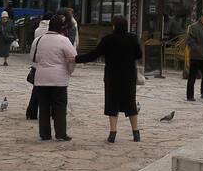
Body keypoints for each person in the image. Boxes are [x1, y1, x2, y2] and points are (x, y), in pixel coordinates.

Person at [76, 15, 143, 143]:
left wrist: (76, 59)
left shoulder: (108, 40)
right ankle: (136, 133)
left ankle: (113, 133)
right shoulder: (132, 38)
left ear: (114, 26)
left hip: (112, 76)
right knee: (130, 103)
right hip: (128, 76)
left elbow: (93, 55)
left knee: (112, 103)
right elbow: (139, 55)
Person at [30, 12, 76, 142]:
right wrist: (69, 72)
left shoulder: (38, 40)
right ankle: (61, 133)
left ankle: (44, 134)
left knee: (44, 107)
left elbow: (33, 58)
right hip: (59, 79)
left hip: (41, 78)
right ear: (62, 28)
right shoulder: (64, 40)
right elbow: (72, 59)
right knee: (60, 106)